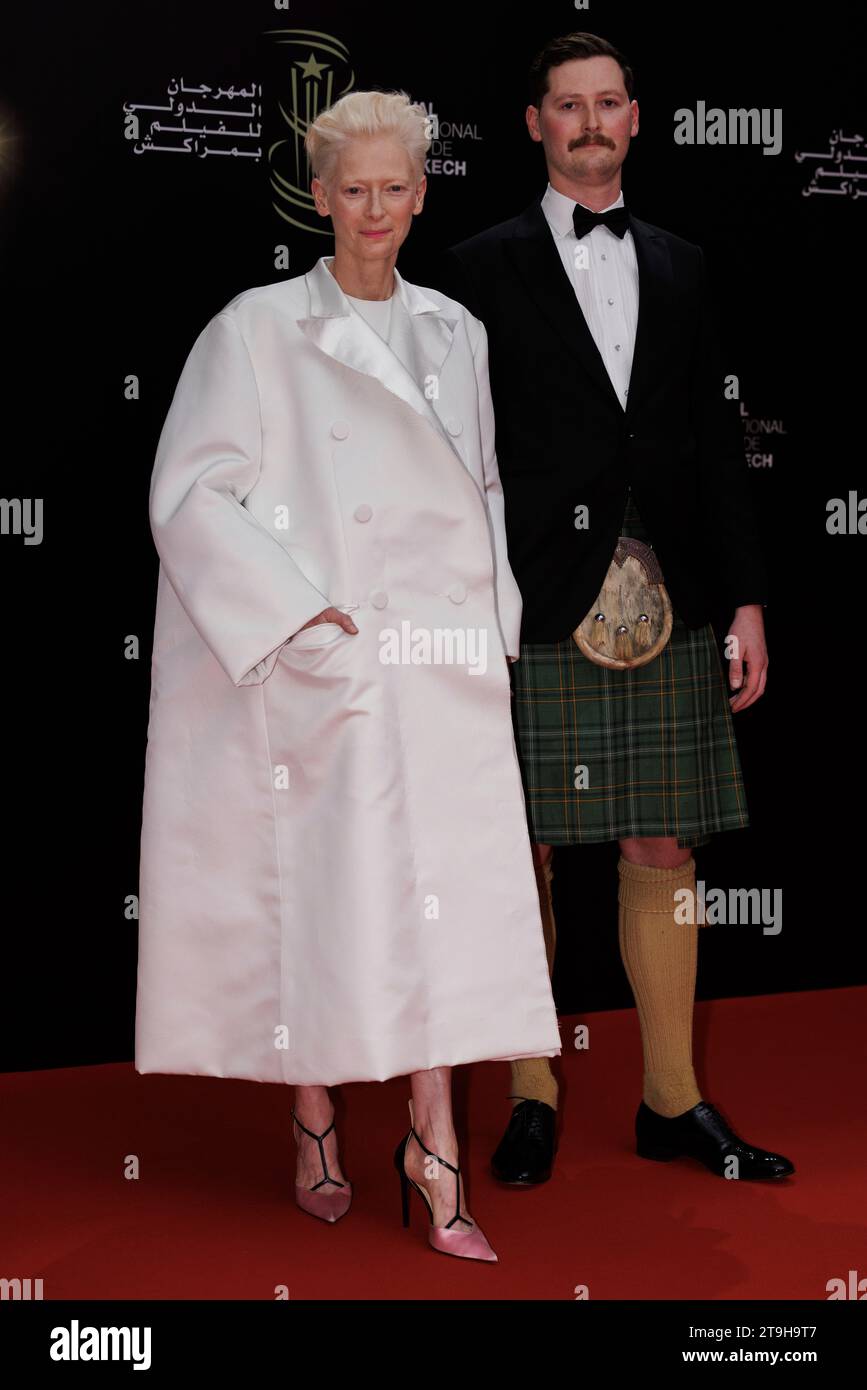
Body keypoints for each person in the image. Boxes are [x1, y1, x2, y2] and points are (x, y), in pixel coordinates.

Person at [134, 89, 561, 1261]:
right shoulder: (254, 328)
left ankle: (434, 1147)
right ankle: (314, 1112)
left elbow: (480, 494)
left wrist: (492, 629)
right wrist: (298, 615)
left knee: (448, 920)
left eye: (395, 189)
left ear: (422, 194)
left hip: (439, 675)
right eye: (352, 190)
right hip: (324, 674)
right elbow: (188, 495)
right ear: (318, 197)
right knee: (332, 904)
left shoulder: (456, 333)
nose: (375, 212)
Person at [430, 33, 794, 1185]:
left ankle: (672, 1100)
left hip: (672, 584)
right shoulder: (477, 266)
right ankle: (530, 1094)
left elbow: (716, 451)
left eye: (608, 104)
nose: (589, 122)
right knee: (522, 851)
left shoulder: (684, 261)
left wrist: (744, 596)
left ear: (637, 118)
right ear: (535, 123)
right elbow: (454, 453)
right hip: (537, 591)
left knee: (662, 840)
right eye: (566, 106)